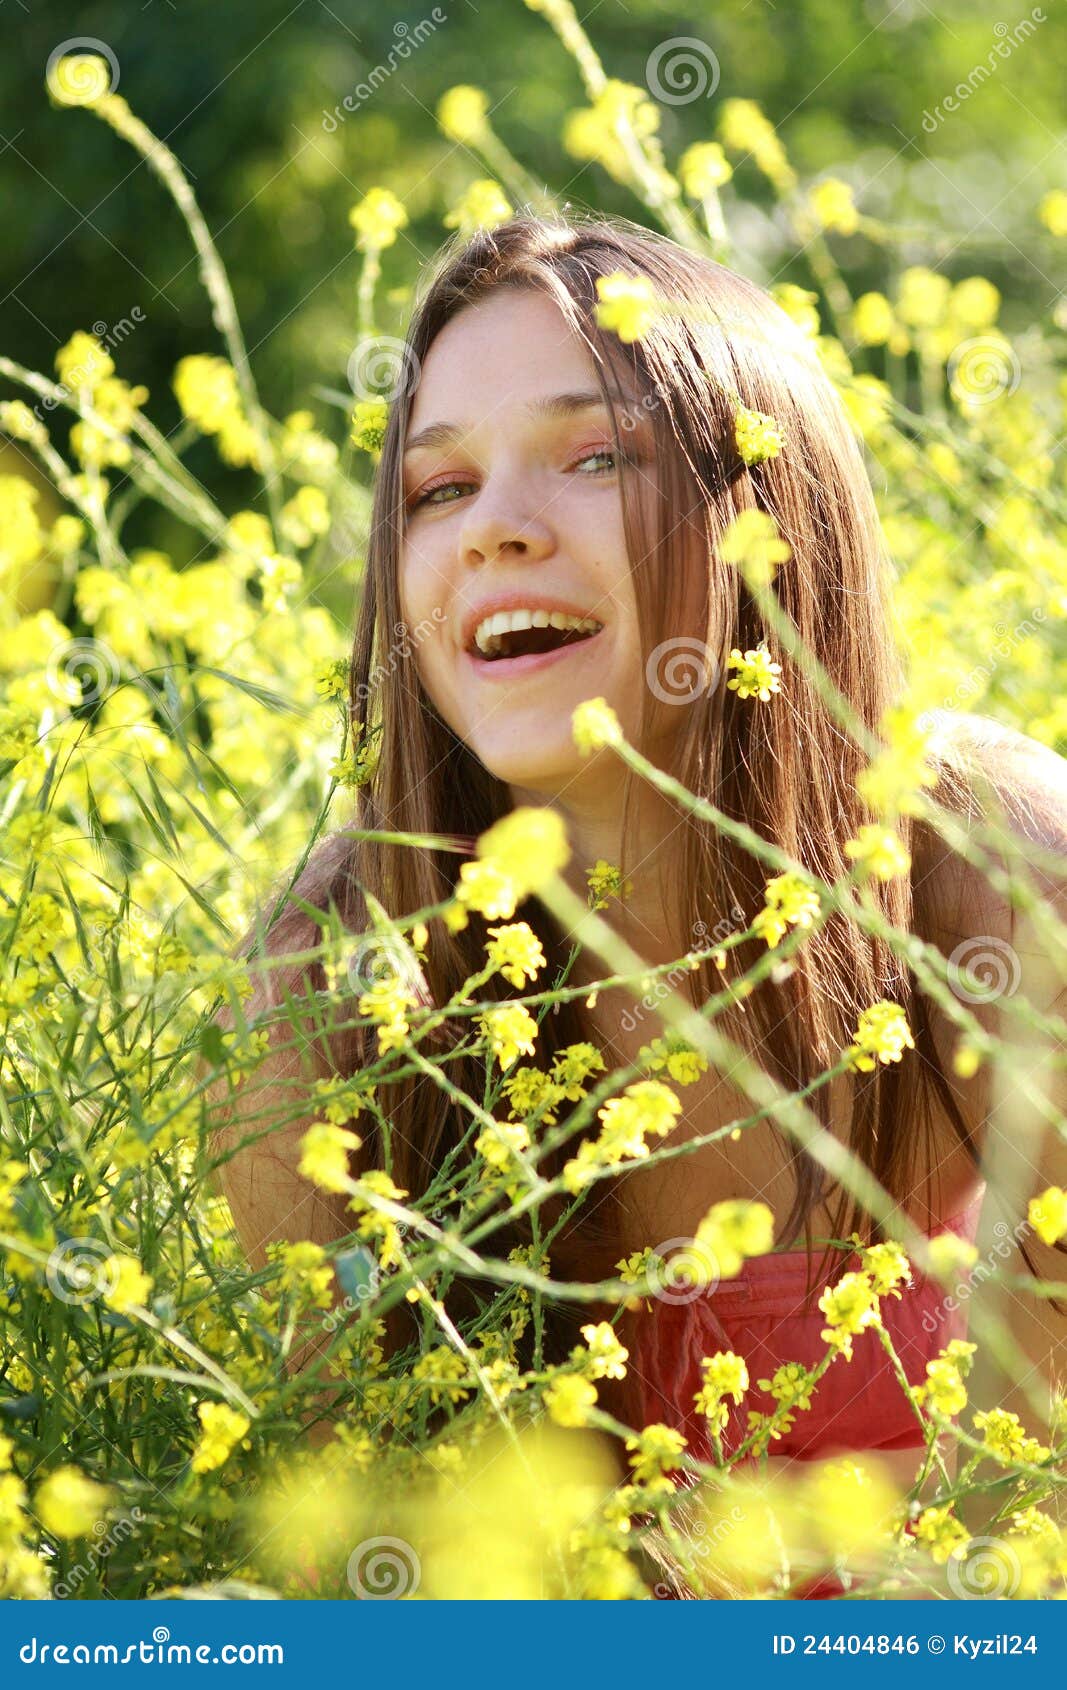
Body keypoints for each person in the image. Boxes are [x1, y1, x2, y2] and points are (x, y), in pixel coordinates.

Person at [203, 212, 1067, 1597]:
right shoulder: (332, 976)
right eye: (437, 490)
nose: (494, 530)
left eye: (597, 454)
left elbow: (1031, 1549)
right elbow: (357, 1580)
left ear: (768, 517)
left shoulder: (1002, 872)